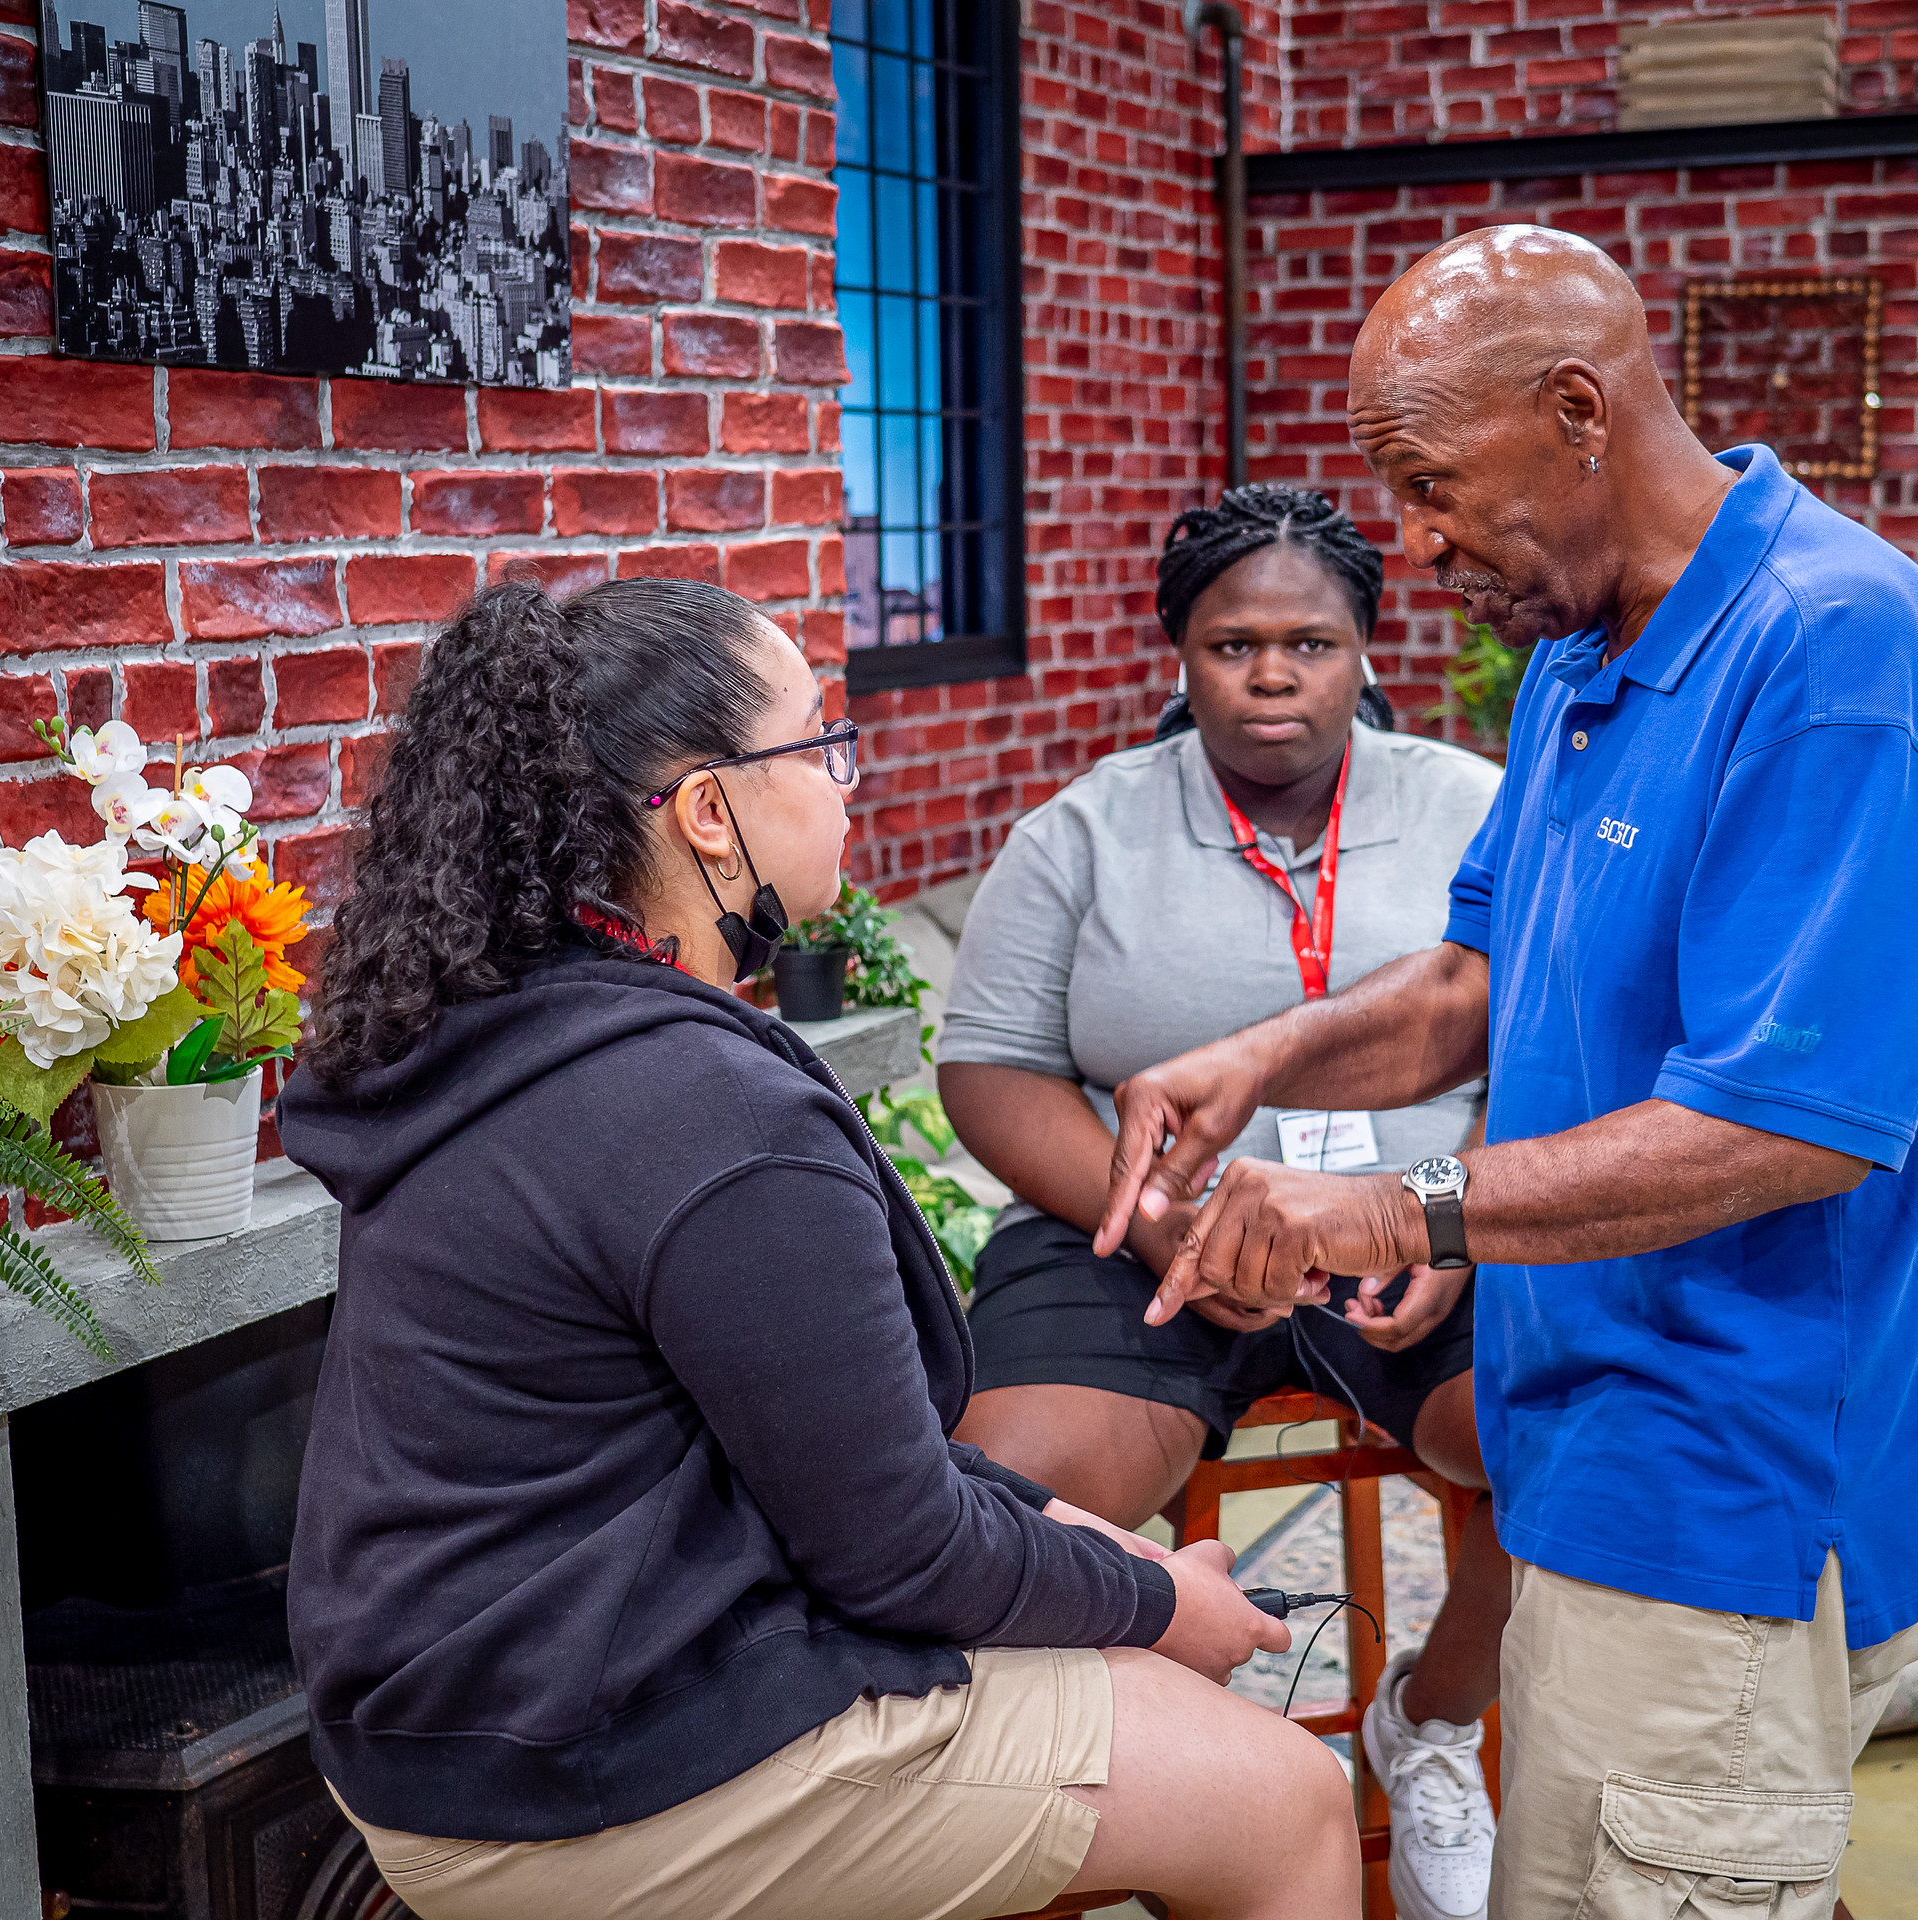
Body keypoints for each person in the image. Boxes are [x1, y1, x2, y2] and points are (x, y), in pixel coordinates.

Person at [1093, 228, 1918, 1917]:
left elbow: (1780, 1127)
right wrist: (1266, 1054)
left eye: (1430, 483)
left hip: (1738, 1468)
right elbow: (1487, 976)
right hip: (1600, 1427)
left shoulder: (1834, 651)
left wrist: (1392, 1214)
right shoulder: (1580, 645)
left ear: (1575, 412)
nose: (1411, 541)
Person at [276, 577, 1359, 1920]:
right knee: (1289, 1799)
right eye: (818, 744)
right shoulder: (711, 1114)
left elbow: (844, 1463)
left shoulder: (506, 1033)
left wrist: (1111, 1562)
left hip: (454, 1719)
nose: (852, 781)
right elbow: (899, 1553)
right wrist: (1158, 1610)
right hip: (588, 1768)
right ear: (710, 815)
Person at [940, 486, 1508, 1920]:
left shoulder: (1475, 809)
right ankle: (1163, 1786)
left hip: (1416, 1234)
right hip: (1140, 1239)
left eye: (1309, 644)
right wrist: (1163, 1225)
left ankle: (1431, 1724)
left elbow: (1556, 1046)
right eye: (1230, 644)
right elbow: (992, 1071)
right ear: (1177, 658)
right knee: (1007, 1497)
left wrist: (1446, 1218)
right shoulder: (1083, 831)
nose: (1270, 676)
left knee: (1566, 1437)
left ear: (1367, 652)